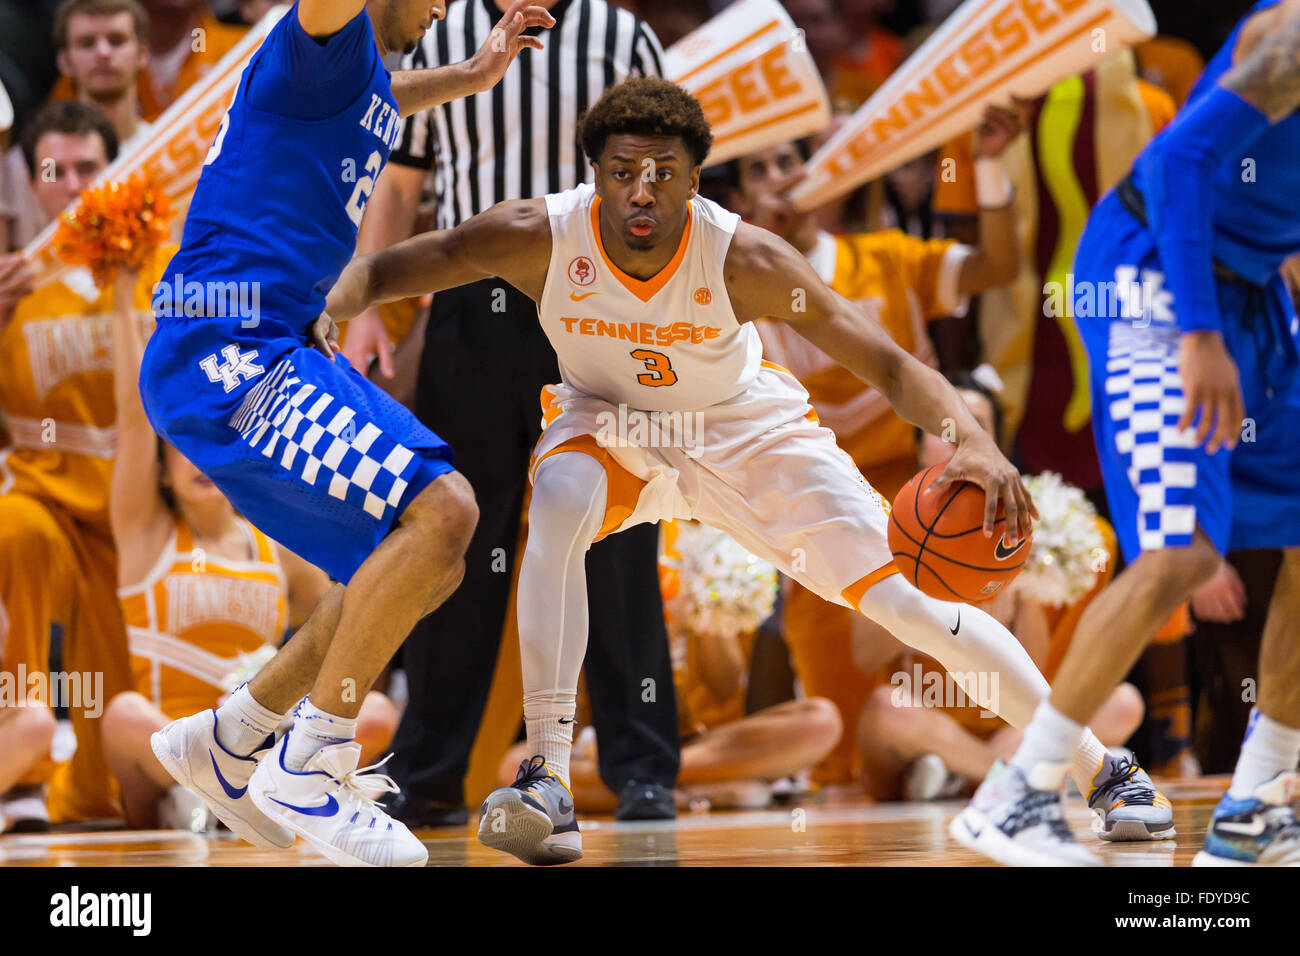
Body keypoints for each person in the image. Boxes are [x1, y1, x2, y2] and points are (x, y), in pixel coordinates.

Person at [321, 76, 1170, 866]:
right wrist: (324, 303)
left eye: (664, 173)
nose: (642, 191)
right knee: (560, 496)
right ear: (596, 175)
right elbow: (393, 268)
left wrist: (969, 439)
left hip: (746, 432)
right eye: (622, 172)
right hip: (612, 424)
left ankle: (1099, 767)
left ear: (696, 182)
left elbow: (882, 359)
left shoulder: (746, 259)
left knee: (909, 603)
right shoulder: (535, 235)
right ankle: (547, 775)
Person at [142, 0, 554, 868]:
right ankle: (312, 762)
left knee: (405, 564)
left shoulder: (352, 76)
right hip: (228, 348)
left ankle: (230, 737)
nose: (442, 5)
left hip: (272, 338)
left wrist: (473, 77)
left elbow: (384, 96)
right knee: (444, 512)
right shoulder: (320, 41)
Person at [954, 0, 1300, 867]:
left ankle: (1256, 803)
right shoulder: (1288, 38)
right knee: (1181, 553)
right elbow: (1182, 158)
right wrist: (1199, 332)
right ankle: (1018, 794)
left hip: (1252, 291)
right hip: (1155, 271)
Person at [345, 0, 682, 826]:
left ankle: (642, 767)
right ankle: (429, 772)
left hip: (602, 303)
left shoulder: (621, 31)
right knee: (459, 532)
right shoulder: (443, 28)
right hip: (472, 304)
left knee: (618, 530)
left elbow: (657, 171)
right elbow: (400, 180)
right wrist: (362, 303)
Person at [722, 126, 1022, 787]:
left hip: (921, 497)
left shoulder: (888, 257)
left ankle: (969, 763)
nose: (780, 176)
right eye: (761, 168)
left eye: (790, 159)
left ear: (821, 173)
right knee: (847, 752)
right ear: (740, 194)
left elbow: (999, 268)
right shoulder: (731, 290)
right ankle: (950, 770)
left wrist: (991, 164)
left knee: (963, 651)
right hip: (812, 503)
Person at [101, 263, 397, 831]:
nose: (199, 461)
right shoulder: (144, 536)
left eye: (213, 446)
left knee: (379, 709)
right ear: (160, 469)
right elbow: (134, 423)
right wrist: (123, 287)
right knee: (121, 715)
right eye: (185, 447)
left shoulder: (272, 544)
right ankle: (194, 804)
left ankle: (275, 786)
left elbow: (349, 621)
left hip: (260, 743)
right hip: (172, 751)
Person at [857, 377, 1146, 804]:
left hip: (1006, 722)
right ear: (918, 447)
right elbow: (863, 654)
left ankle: (961, 775)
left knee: (1123, 702)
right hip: (926, 718)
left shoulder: (1019, 529)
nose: (959, 442)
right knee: (888, 707)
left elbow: (1034, 663)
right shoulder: (884, 518)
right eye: (944, 429)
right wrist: (933, 589)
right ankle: (1022, 775)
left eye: (975, 427)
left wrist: (1021, 589)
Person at [0, 100, 142, 832]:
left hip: (133, 509)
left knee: (104, 779)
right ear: (30, 175)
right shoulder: (8, 282)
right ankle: (18, 767)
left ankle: (98, 790)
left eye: (91, 166)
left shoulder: (151, 267)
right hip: (44, 501)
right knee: (15, 535)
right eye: (57, 169)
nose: (74, 184)